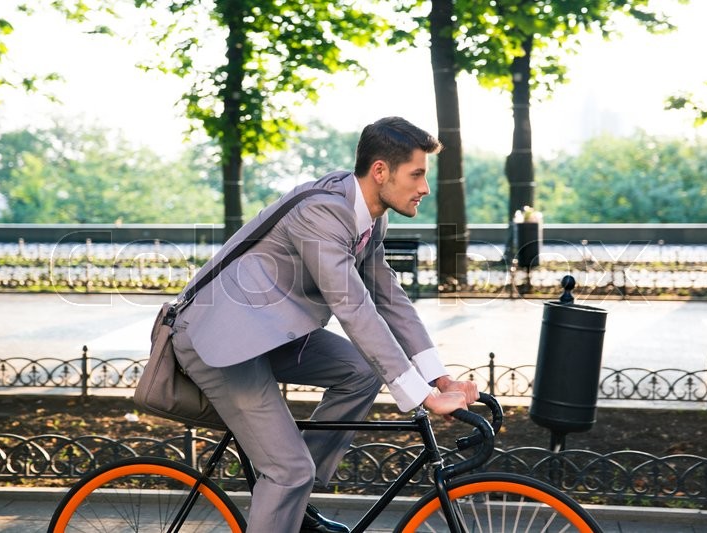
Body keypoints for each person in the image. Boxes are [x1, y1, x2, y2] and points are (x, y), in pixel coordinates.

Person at [171, 116, 480, 532]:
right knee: (288, 471)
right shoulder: (322, 213)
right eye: (418, 174)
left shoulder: (370, 217)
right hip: (220, 342)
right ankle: (288, 483)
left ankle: (292, 504)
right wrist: (420, 396)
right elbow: (354, 307)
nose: (425, 188)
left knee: (360, 373)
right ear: (381, 171)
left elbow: (389, 299)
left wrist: (440, 379)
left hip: (266, 332)